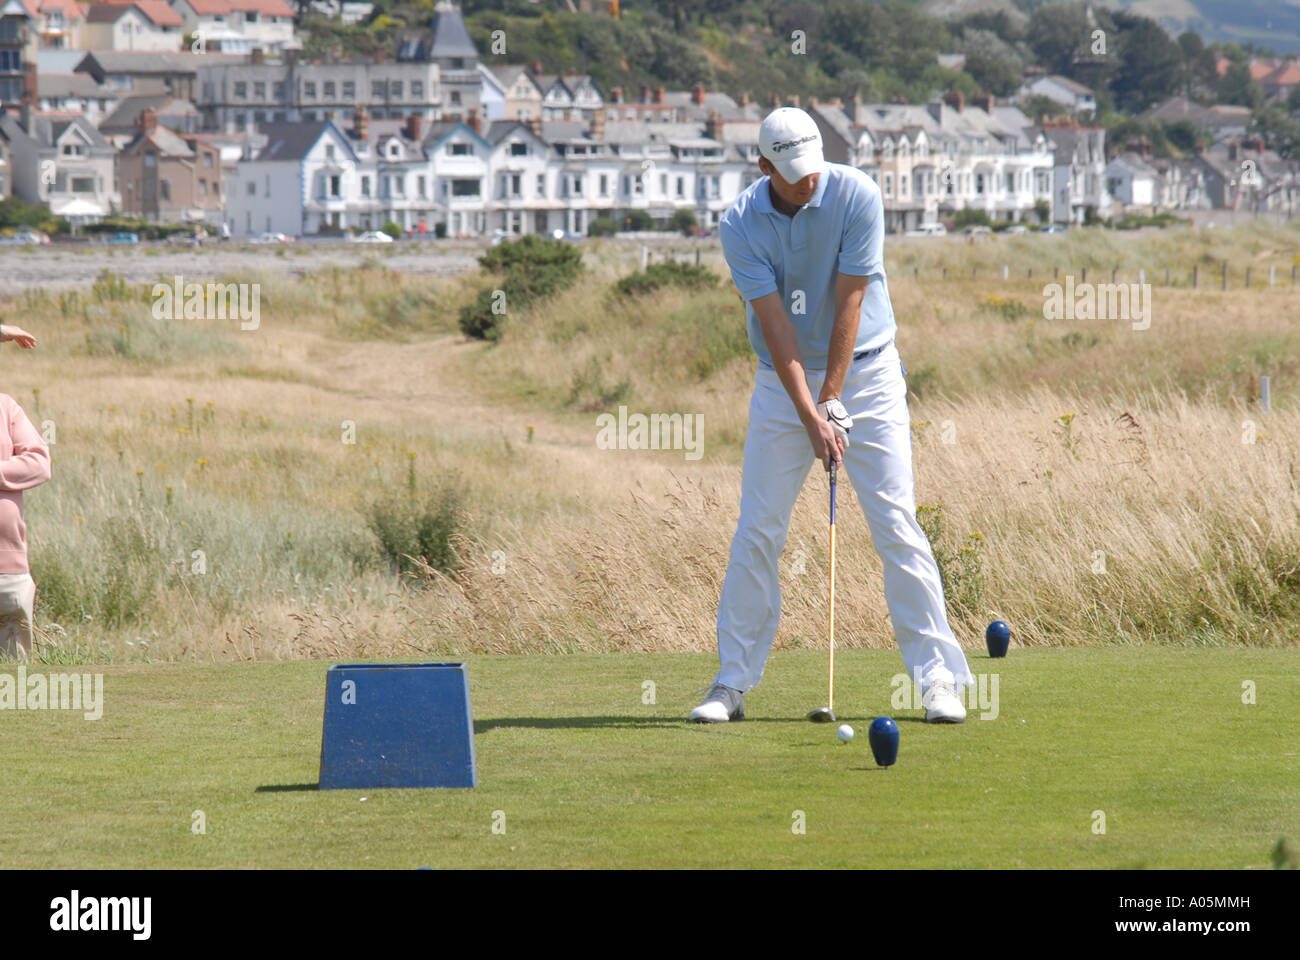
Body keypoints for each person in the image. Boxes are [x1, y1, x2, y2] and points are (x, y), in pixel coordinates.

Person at [690, 107, 973, 725]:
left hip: (866, 372)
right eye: (791, 174)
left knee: (896, 523)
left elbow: (851, 300)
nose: (807, 183)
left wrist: (834, 401)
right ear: (763, 167)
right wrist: (811, 413)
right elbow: (777, 328)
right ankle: (730, 685)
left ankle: (938, 684)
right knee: (758, 529)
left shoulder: (857, 194)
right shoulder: (740, 224)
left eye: (812, 169)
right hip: (781, 380)